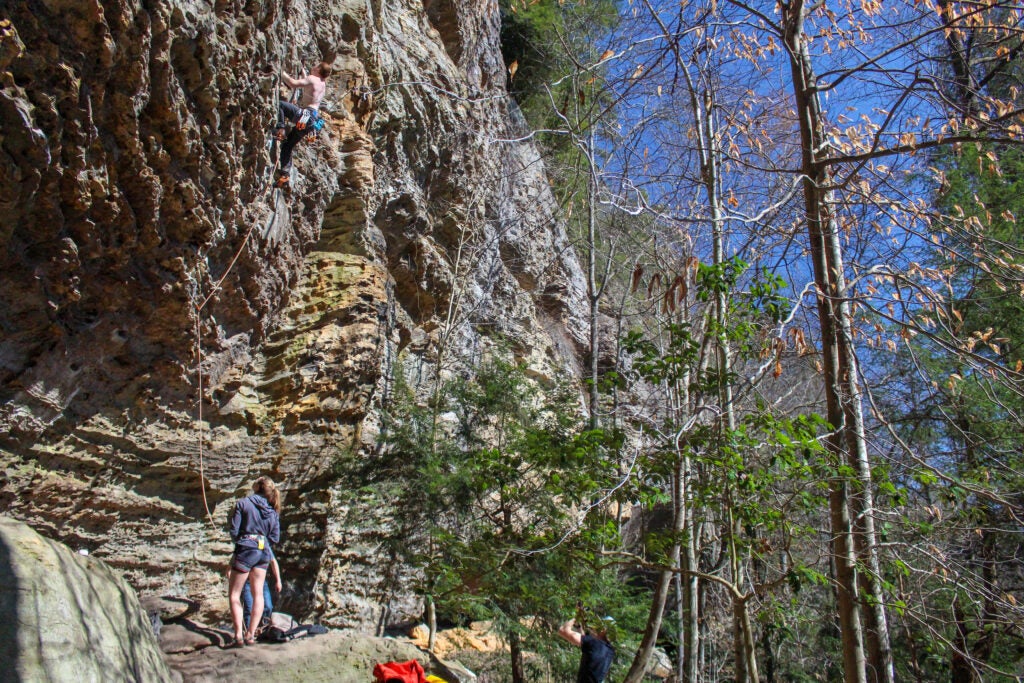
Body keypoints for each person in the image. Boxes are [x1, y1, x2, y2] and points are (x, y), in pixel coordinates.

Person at [227, 476, 281, 646]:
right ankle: (250, 634)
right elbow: (275, 537)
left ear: (256, 487)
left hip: (246, 549)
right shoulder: (272, 511)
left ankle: (238, 636)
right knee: (258, 594)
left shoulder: (243, 504)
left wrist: (243, 542)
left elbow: (234, 531)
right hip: (263, 551)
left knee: (234, 594)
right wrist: (261, 542)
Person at [274, 61, 332, 184]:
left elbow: (292, 83)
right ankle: (285, 173)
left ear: (318, 69)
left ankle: (280, 129)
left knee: (281, 105)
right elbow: (309, 85)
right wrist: (304, 73)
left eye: (316, 65)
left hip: (306, 115)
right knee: (287, 145)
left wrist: (280, 70)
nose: (313, 66)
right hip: (312, 121)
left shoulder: (312, 78)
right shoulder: (322, 83)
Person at [558, 615, 615, 683]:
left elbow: (563, 631)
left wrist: (576, 617)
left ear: (603, 630)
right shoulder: (610, 650)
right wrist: (579, 628)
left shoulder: (593, 642)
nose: (595, 628)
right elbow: (588, 645)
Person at [242, 547, 281, 633]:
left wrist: (278, 580)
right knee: (249, 608)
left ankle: (264, 629)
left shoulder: (263, 544)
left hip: (262, 582)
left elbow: (273, 562)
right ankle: (249, 633)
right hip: (247, 582)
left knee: (268, 606)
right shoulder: (246, 543)